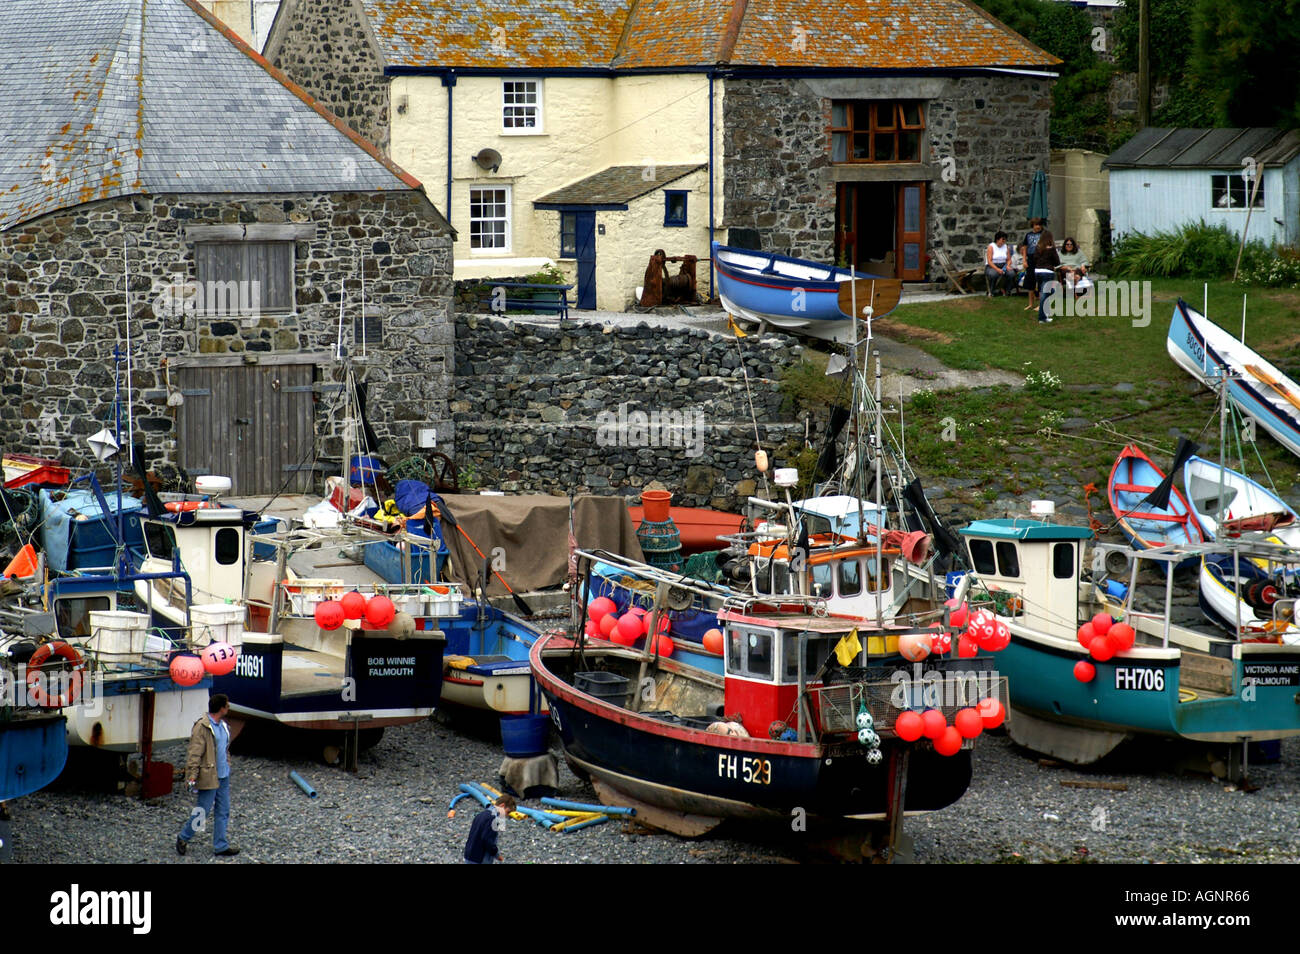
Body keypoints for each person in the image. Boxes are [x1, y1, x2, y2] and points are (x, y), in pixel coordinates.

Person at [177, 694, 238, 857]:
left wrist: (228, 762)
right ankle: (183, 837)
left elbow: (224, 748)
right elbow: (194, 753)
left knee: (223, 811)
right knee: (202, 811)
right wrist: (191, 776)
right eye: (227, 706)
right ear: (221, 708)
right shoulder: (202, 727)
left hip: (223, 775)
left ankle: (221, 845)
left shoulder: (223, 725)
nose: (229, 708)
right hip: (209, 775)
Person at [464, 794, 516, 864]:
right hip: (480, 858)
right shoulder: (493, 818)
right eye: (507, 812)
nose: (506, 815)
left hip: (469, 854)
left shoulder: (481, 815)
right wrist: (496, 854)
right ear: (502, 806)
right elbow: (487, 840)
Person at [1032, 231, 1061, 324]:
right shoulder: (1052, 249)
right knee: (1045, 294)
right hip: (1047, 272)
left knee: (1047, 292)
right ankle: (1042, 318)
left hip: (1038, 272)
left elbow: (1034, 259)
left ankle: (1045, 312)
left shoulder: (1038, 248)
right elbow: (1057, 262)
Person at [1022, 218, 1045, 311]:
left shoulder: (1044, 235)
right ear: (1033, 226)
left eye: (1039, 225)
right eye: (1036, 225)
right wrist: (1024, 260)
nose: (1038, 226)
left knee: (1040, 282)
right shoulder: (1028, 235)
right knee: (1030, 282)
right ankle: (1030, 304)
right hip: (1031, 259)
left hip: (1040, 259)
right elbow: (1025, 248)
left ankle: (1041, 304)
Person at [984, 231, 1014, 296]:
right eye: (1002, 239)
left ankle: (1007, 291)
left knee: (1011, 273)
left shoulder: (1006, 247)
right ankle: (991, 291)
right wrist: (997, 269)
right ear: (997, 239)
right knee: (993, 274)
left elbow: (1009, 259)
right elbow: (989, 261)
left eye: (1005, 239)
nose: (1004, 241)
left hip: (1003, 264)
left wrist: (1008, 265)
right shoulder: (991, 246)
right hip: (992, 266)